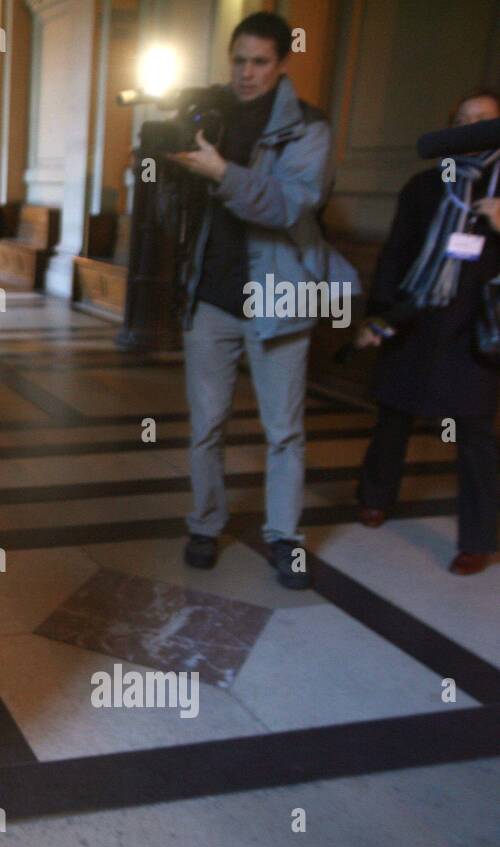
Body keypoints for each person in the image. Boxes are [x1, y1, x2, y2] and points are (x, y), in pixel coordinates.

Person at [168, 10, 359, 589]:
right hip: (213, 295)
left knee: (284, 430)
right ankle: (205, 523)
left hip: (278, 293)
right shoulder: (210, 114)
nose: (246, 73)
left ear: (281, 64)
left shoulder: (309, 127)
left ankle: (285, 538)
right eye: (238, 61)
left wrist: (221, 171)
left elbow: (289, 205)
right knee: (206, 425)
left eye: (259, 62)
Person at [352, 89, 500, 575]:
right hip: (416, 316)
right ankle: (375, 497)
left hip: (474, 324)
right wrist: (379, 317)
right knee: (393, 415)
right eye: (463, 120)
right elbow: (395, 254)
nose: (472, 128)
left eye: (484, 120)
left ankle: (477, 538)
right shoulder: (425, 185)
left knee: (475, 435)